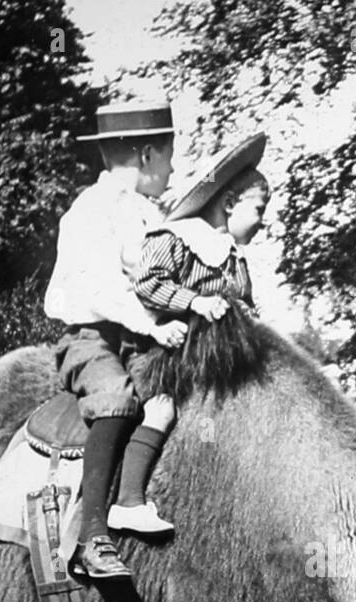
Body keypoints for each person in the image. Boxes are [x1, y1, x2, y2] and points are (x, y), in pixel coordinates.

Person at [44, 100, 188, 580]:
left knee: (168, 396)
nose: (172, 167)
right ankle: (91, 538)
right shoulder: (92, 209)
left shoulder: (145, 212)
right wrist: (154, 326)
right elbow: (102, 290)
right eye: (169, 154)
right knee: (116, 398)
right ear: (147, 154)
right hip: (90, 337)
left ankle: (130, 500)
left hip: (130, 337)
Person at [114, 133, 269, 534]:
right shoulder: (178, 240)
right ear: (230, 203)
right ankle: (128, 500)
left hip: (218, 364)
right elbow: (147, 284)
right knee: (162, 408)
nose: (264, 220)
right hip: (172, 354)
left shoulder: (235, 262)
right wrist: (194, 302)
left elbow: (244, 307)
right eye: (259, 208)